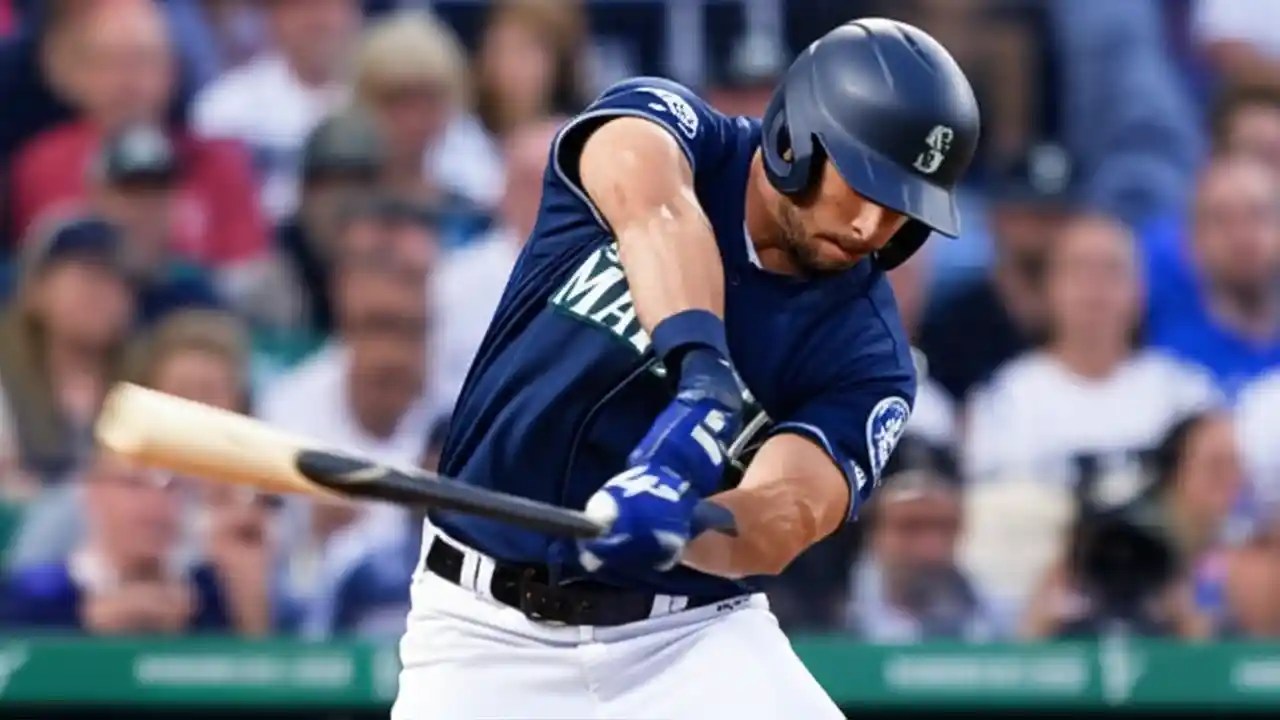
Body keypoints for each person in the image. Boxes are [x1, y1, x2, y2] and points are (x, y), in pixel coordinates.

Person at [393, 19, 978, 719]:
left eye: (901, 211)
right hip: (481, 634)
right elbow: (658, 215)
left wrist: (685, 523)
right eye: (862, 189)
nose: (869, 229)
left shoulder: (869, 350)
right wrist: (705, 385)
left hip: (686, 641)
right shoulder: (665, 128)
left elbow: (786, 512)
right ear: (795, 138)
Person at [7, 0, 268, 278]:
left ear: (172, 73)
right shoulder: (40, 167)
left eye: (143, 61)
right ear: (75, 75)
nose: (126, 81)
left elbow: (248, 277)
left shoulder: (220, 164)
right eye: (108, 63)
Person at [965, 214, 1220, 486]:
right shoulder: (1007, 399)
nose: (1095, 287)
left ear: (1141, 290)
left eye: (1112, 270)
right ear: (1048, 289)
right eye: (1078, 270)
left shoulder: (1185, 395)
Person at [0, 451, 232, 633]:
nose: (155, 503)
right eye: (134, 485)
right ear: (93, 493)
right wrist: (83, 623)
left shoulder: (211, 593)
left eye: (171, 487)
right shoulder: (34, 596)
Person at [918, 142, 1076, 401]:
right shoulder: (953, 328)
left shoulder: (1102, 321)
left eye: (1057, 218)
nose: (1043, 233)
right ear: (997, 218)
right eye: (1030, 215)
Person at [0, 216, 134, 489]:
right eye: (86, 279)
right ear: (36, 291)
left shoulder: (145, 387)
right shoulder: (6, 386)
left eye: (114, 281)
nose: (101, 294)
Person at [193, 0, 360, 219]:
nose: (320, 21)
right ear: (273, 18)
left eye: (331, 7)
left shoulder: (376, 100)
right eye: (304, 8)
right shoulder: (227, 105)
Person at [436, 118, 560, 404]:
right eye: (531, 183)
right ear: (505, 191)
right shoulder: (453, 281)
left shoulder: (619, 275)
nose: (546, 198)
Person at [1145, 154, 1280, 396]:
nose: (1242, 235)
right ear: (1191, 242)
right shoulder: (1163, 359)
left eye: (1258, 215)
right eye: (1221, 219)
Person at [845, 448, 1002, 643]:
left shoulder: (994, 619)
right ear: (874, 534)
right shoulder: (835, 611)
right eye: (911, 527)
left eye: (944, 527)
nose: (930, 547)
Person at [354, 10, 499, 212]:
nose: (413, 120)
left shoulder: (472, 214)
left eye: (428, 103)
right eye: (397, 101)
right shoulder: (345, 211)